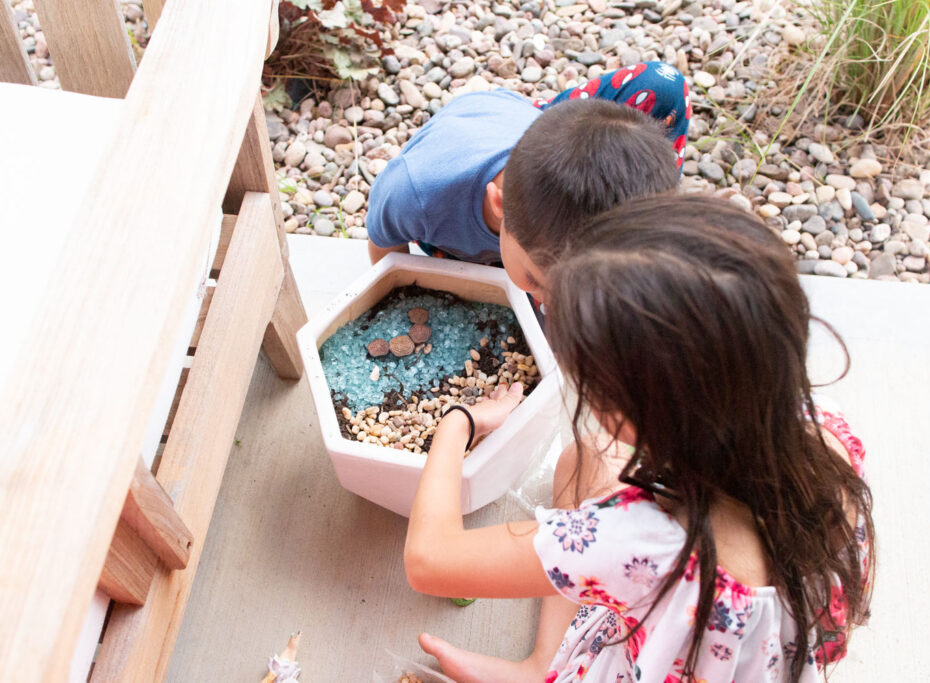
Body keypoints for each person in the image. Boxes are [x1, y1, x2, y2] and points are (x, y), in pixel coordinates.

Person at [403, 195, 875, 682]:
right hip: (757, 657)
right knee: (584, 459)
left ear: (648, 419)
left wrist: (457, 423)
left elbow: (428, 559)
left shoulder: (639, 543)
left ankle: (551, 671)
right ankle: (542, 664)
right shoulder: (826, 433)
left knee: (587, 463)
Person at [365, 62, 690, 299]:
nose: (548, 303)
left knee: (665, 86)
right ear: (499, 204)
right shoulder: (415, 193)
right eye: (538, 283)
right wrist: (402, 299)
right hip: (488, 122)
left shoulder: (533, 234)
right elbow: (386, 251)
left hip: (538, 124)